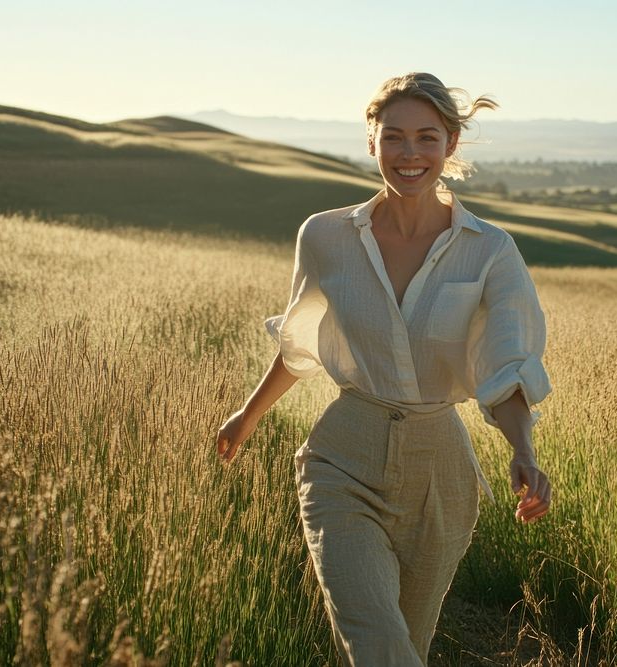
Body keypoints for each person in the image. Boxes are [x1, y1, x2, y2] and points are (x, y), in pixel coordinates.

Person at [216, 72, 552, 666]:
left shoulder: (490, 250)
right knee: (375, 638)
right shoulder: (325, 236)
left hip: (440, 472)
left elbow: (504, 365)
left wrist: (522, 448)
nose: (410, 154)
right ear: (371, 142)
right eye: (394, 137)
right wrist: (248, 415)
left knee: (405, 645)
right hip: (343, 456)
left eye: (427, 138)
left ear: (450, 144)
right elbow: (303, 341)